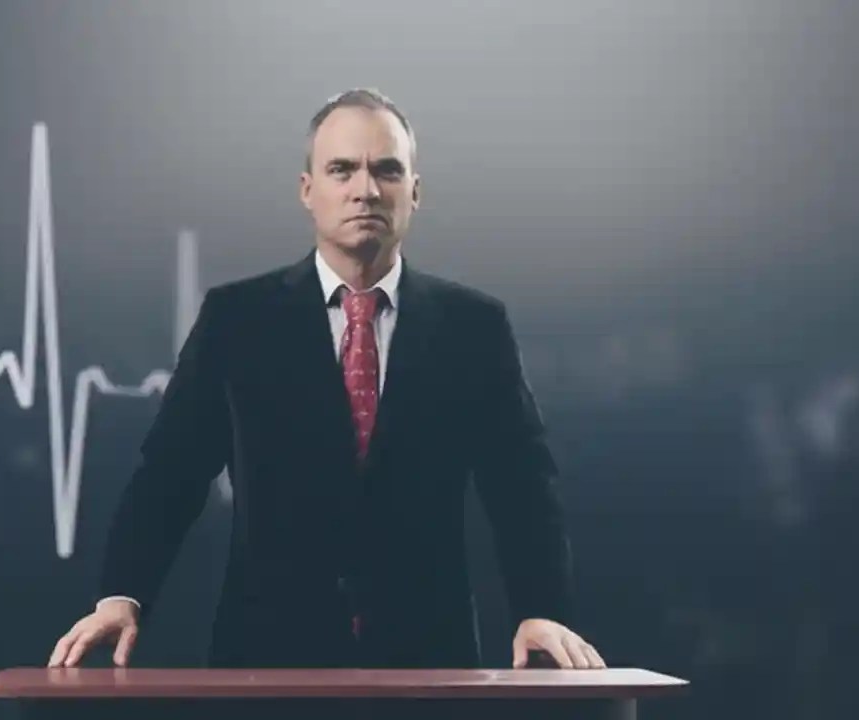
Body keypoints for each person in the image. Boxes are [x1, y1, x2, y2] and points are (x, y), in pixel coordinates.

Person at [48, 88, 606, 671]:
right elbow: (170, 472)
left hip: (427, 667)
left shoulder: (474, 327)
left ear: (414, 191)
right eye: (342, 169)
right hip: (266, 662)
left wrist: (542, 608)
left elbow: (523, 484)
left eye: (387, 170)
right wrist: (123, 593)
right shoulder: (237, 320)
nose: (365, 189)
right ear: (307, 191)